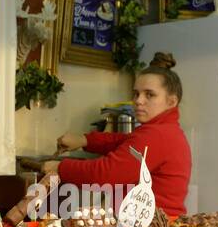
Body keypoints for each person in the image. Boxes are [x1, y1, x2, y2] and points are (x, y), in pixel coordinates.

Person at [41, 52, 192, 217]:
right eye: (136, 93)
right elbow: (124, 141)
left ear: (171, 101)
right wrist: (84, 140)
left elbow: (105, 173)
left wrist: (60, 167)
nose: (139, 100)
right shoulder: (165, 130)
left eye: (149, 94)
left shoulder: (157, 135)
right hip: (157, 226)